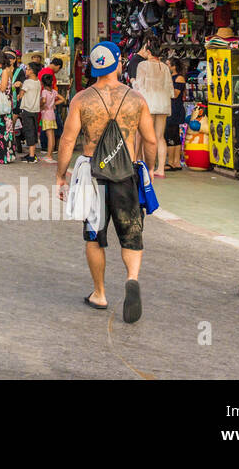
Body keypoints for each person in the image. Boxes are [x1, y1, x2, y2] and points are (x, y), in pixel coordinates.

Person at [55, 41, 158, 324]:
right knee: (131, 235)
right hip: (126, 173)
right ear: (119, 64)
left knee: (94, 237)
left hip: (92, 174)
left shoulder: (81, 99)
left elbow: (67, 140)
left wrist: (60, 176)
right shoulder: (136, 99)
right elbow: (150, 139)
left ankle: (99, 293)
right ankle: (132, 278)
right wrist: (148, 168)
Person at [133, 41, 172, 176]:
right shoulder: (165, 67)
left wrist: (132, 81)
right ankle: (160, 169)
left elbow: (138, 87)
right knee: (160, 137)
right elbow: (170, 89)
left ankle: (147, 167)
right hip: (163, 103)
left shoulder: (142, 65)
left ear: (149, 52)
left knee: (146, 136)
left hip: (148, 103)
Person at [165, 59, 187, 171]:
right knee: (174, 135)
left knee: (171, 134)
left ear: (174, 66)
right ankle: (175, 162)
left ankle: (173, 162)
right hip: (171, 108)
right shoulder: (170, 78)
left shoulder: (179, 78)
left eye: (168, 64)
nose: (166, 66)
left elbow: (174, 94)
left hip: (175, 109)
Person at [18, 62, 42, 163]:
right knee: (33, 131)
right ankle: (32, 153)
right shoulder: (38, 82)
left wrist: (19, 86)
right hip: (35, 110)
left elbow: (21, 95)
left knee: (29, 131)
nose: (26, 70)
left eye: (27, 69)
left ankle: (31, 156)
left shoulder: (27, 82)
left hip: (27, 110)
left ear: (32, 71)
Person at [39, 67, 60, 164]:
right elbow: (62, 99)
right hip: (52, 114)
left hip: (46, 115)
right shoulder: (54, 92)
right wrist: (54, 104)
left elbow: (43, 100)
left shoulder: (44, 92)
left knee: (49, 135)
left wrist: (41, 106)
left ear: (42, 83)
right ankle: (50, 154)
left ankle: (49, 155)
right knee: (52, 135)